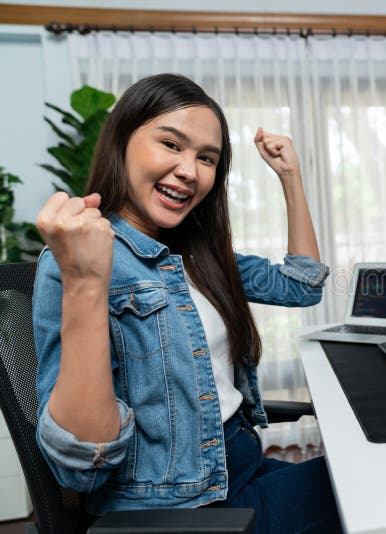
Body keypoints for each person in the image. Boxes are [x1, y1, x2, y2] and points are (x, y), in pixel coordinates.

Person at [32, 73, 343, 533]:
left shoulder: (197, 254)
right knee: (378, 486)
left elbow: (302, 285)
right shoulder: (76, 259)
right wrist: (85, 280)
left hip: (239, 467)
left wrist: (290, 176)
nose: (190, 171)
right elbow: (82, 466)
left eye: (207, 158)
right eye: (171, 144)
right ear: (122, 142)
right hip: (182, 509)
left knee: (367, 473)